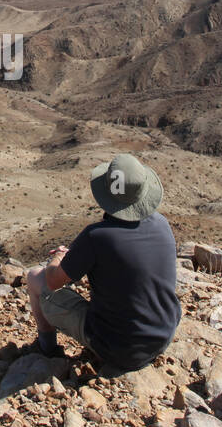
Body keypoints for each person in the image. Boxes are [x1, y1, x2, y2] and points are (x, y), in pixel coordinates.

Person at [25, 153, 180, 372]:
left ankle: (47, 350)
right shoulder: (161, 223)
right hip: (163, 335)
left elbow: (53, 281)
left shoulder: (96, 236)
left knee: (34, 277)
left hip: (120, 350)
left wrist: (58, 257)